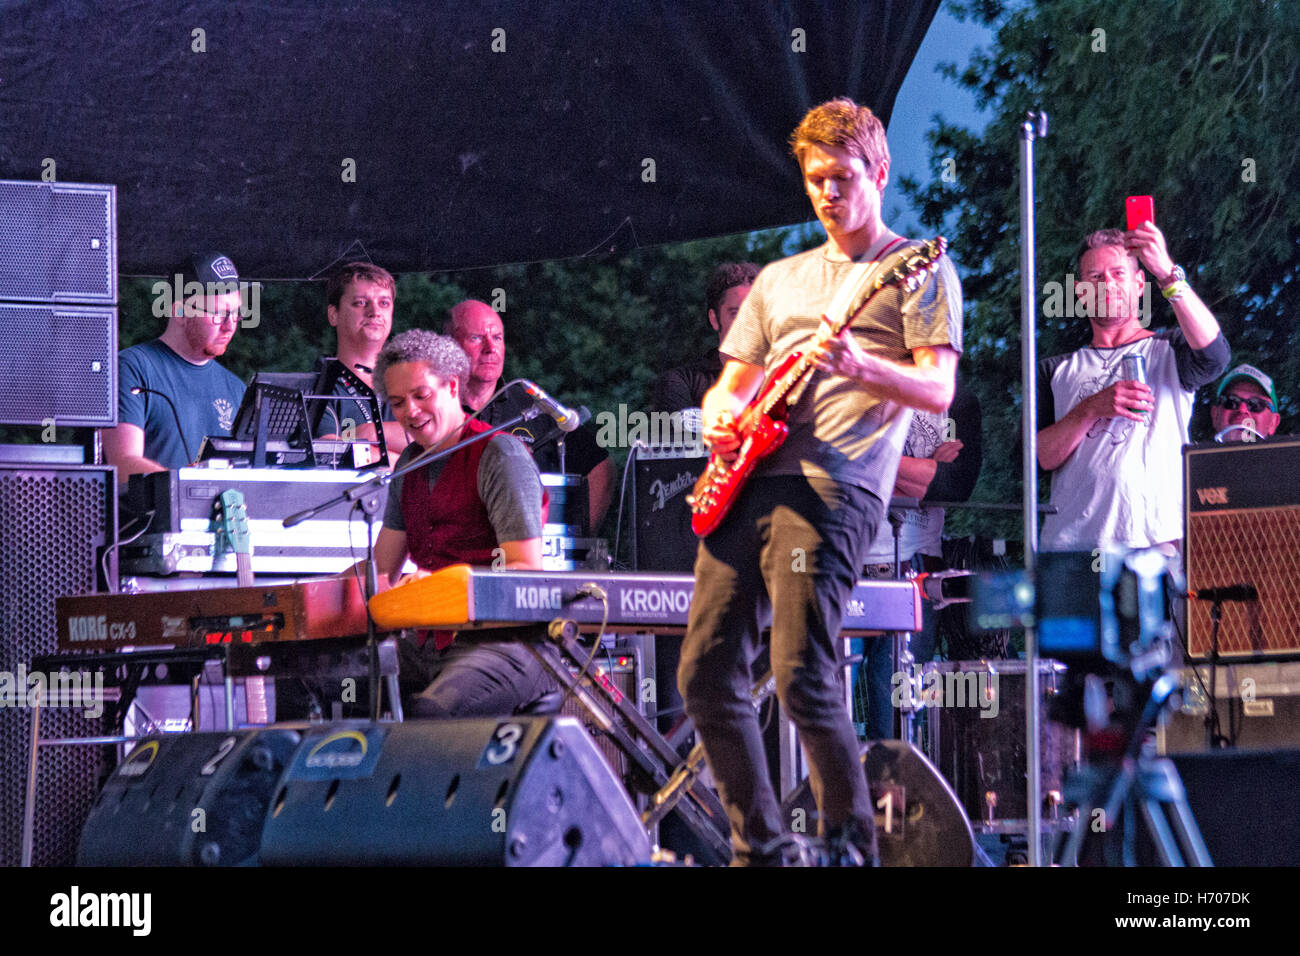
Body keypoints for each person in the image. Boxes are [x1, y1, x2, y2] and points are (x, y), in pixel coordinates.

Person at [678, 98, 963, 866]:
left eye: (840, 178)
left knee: (801, 670)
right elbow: (731, 386)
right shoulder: (778, 279)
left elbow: (937, 391)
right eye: (814, 181)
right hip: (747, 481)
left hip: (836, 486)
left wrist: (858, 365)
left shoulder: (918, 270)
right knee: (704, 673)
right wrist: (719, 417)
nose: (827, 194)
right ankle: (762, 850)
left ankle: (849, 848)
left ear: (879, 172)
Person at [369, 329, 557, 717]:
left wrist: (440, 585)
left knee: (431, 714)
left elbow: (525, 570)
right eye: (398, 402)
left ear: (453, 386)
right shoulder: (409, 464)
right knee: (319, 683)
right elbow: (381, 569)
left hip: (505, 644)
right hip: (426, 643)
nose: (411, 412)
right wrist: (300, 597)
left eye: (422, 395)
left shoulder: (499, 453)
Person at [1037, 226, 1230, 552]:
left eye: (1118, 273)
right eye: (1095, 277)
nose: (1108, 284)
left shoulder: (1169, 349)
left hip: (1156, 544)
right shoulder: (1055, 369)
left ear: (1139, 284)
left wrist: (1168, 273)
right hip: (1071, 548)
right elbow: (1040, 457)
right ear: (1081, 291)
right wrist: (1090, 408)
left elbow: (1215, 354)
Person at [859, 378, 982, 740]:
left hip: (915, 572)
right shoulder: (858, 382)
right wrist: (927, 467)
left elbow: (954, 487)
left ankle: (899, 797)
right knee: (826, 713)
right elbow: (835, 464)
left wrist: (875, 460)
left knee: (900, 725)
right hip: (845, 566)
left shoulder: (958, 399)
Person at [446, 299, 614, 532]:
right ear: (450, 346)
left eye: (497, 338)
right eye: (476, 338)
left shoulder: (534, 407)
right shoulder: (432, 406)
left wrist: (579, 541)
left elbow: (601, 467)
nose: (490, 348)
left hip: (527, 557)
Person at [104, 251, 246, 477]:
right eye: (218, 313)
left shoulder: (237, 389)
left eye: (236, 313)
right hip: (154, 513)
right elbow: (122, 464)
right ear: (179, 312)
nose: (230, 326)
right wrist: (189, 488)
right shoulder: (133, 368)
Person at [315, 262, 409, 461]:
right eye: (360, 303)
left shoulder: (411, 382)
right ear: (334, 314)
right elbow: (333, 456)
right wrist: (402, 463)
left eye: (384, 303)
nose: (374, 312)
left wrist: (370, 433)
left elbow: (439, 441)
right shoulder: (318, 387)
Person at [652, 262, 760, 417]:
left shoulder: (787, 380)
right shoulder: (681, 383)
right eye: (736, 314)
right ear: (714, 319)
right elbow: (678, 439)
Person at [1209, 363, 1280, 443]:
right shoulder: (1193, 454)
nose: (1242, 409)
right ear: (1215, 415)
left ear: (1273, 423)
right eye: (1231, 402)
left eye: (1256, 405)